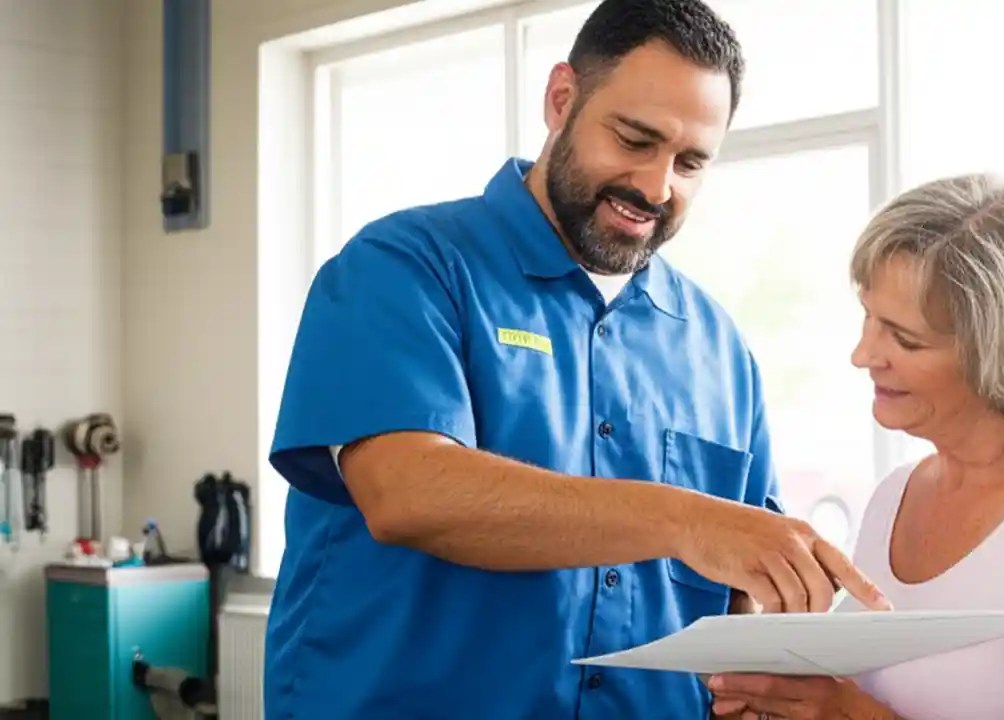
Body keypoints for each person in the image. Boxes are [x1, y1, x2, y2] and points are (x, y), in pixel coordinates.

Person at [262, 0, 889, 717]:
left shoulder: (719, 348)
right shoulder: (403, 268)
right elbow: (406, 492)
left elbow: (737, 591)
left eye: (690, 163)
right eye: (635, 139)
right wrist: (687, 520)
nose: (656, 187)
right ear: (562, 99)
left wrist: (763, 667)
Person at [708, 175, 1004, 719]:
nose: (863, 355)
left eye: (905, 339)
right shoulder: (894, 497)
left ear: (999, 352)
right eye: (868, 317)